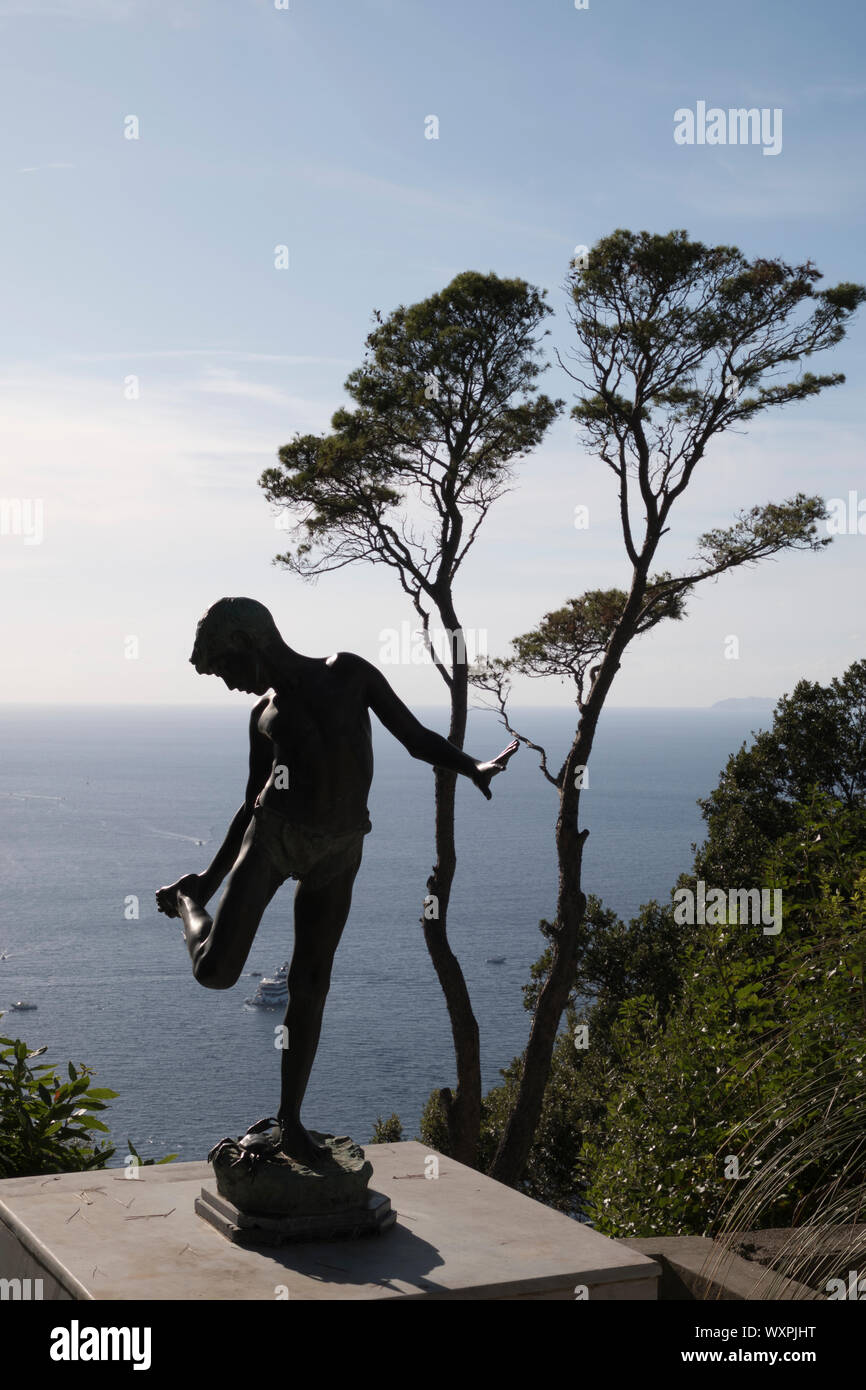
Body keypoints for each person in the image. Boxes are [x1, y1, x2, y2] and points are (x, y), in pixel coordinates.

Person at [156, 597, 517, 1167]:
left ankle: (290, 1120)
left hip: (342, 847)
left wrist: (469, 765)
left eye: (226, 670)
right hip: (274, 838)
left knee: (312, 985)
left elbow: (414, 736)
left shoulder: (347, 673)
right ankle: (185, 903)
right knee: (216, 972)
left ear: (250, 644)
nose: (229, 685)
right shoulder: (263, 716)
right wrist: (207, 878)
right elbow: (249, 803)